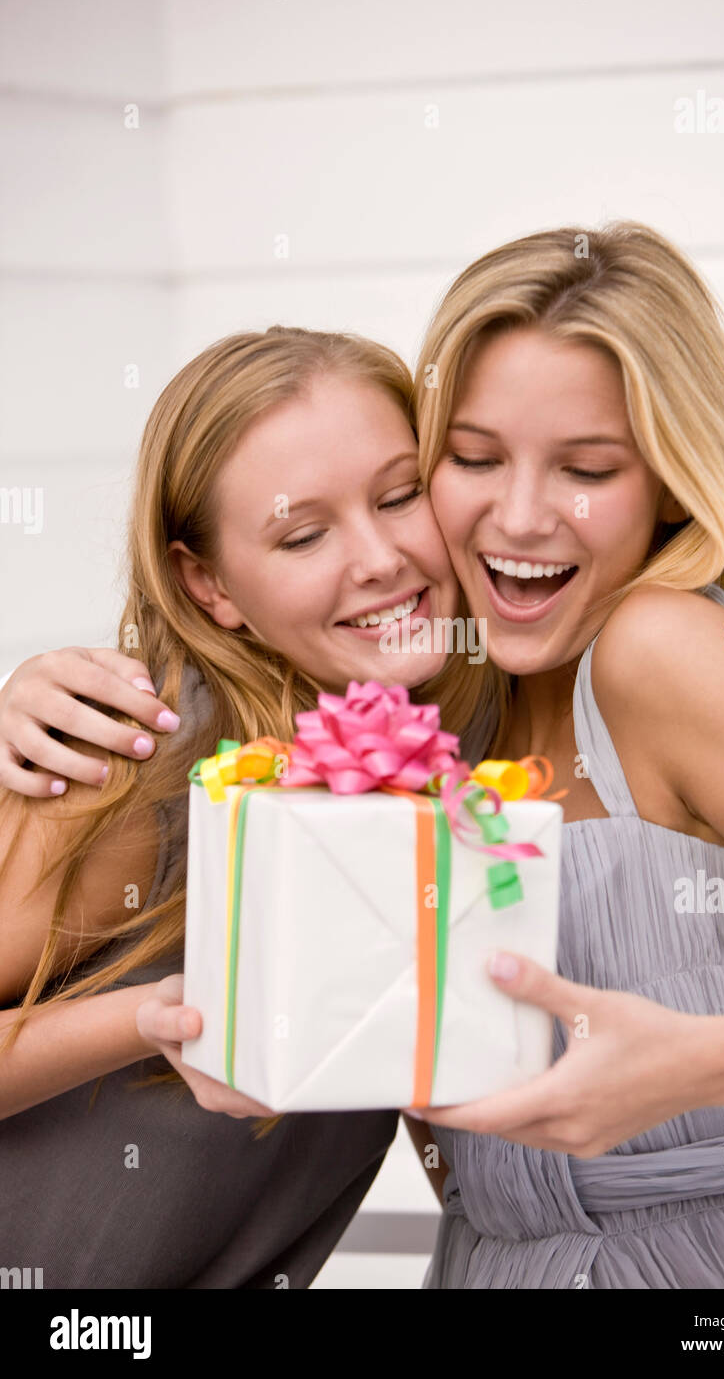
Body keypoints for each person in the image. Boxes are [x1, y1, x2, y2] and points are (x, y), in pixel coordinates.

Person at [5, 222, 724, 1289]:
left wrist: (704, 1069)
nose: (514, 516)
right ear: (208, 582)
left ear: (672, 482)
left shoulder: (646, 655)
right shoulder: (426, 723)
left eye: (587, 467)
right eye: (467, 460)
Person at [0, 324, 484, 1287]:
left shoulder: (454, 755)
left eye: (400, 495)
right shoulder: (135, 752)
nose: (381, 556)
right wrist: (155, 1018)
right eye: (304, 534)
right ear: (207, 583)